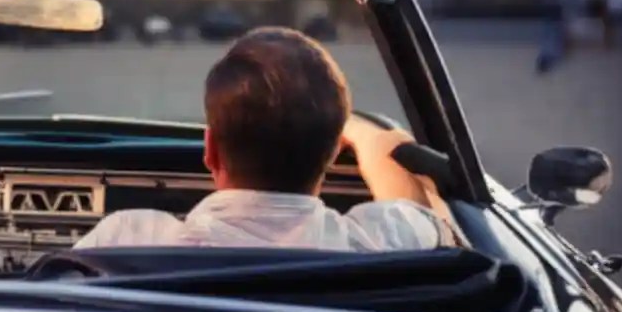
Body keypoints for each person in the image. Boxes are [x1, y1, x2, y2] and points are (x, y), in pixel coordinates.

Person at [74, 27, 456, 251]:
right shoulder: (373, 243)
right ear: (333, 154)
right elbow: (426, 217)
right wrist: (366, 141)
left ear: (210, 151)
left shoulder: (124, 239)